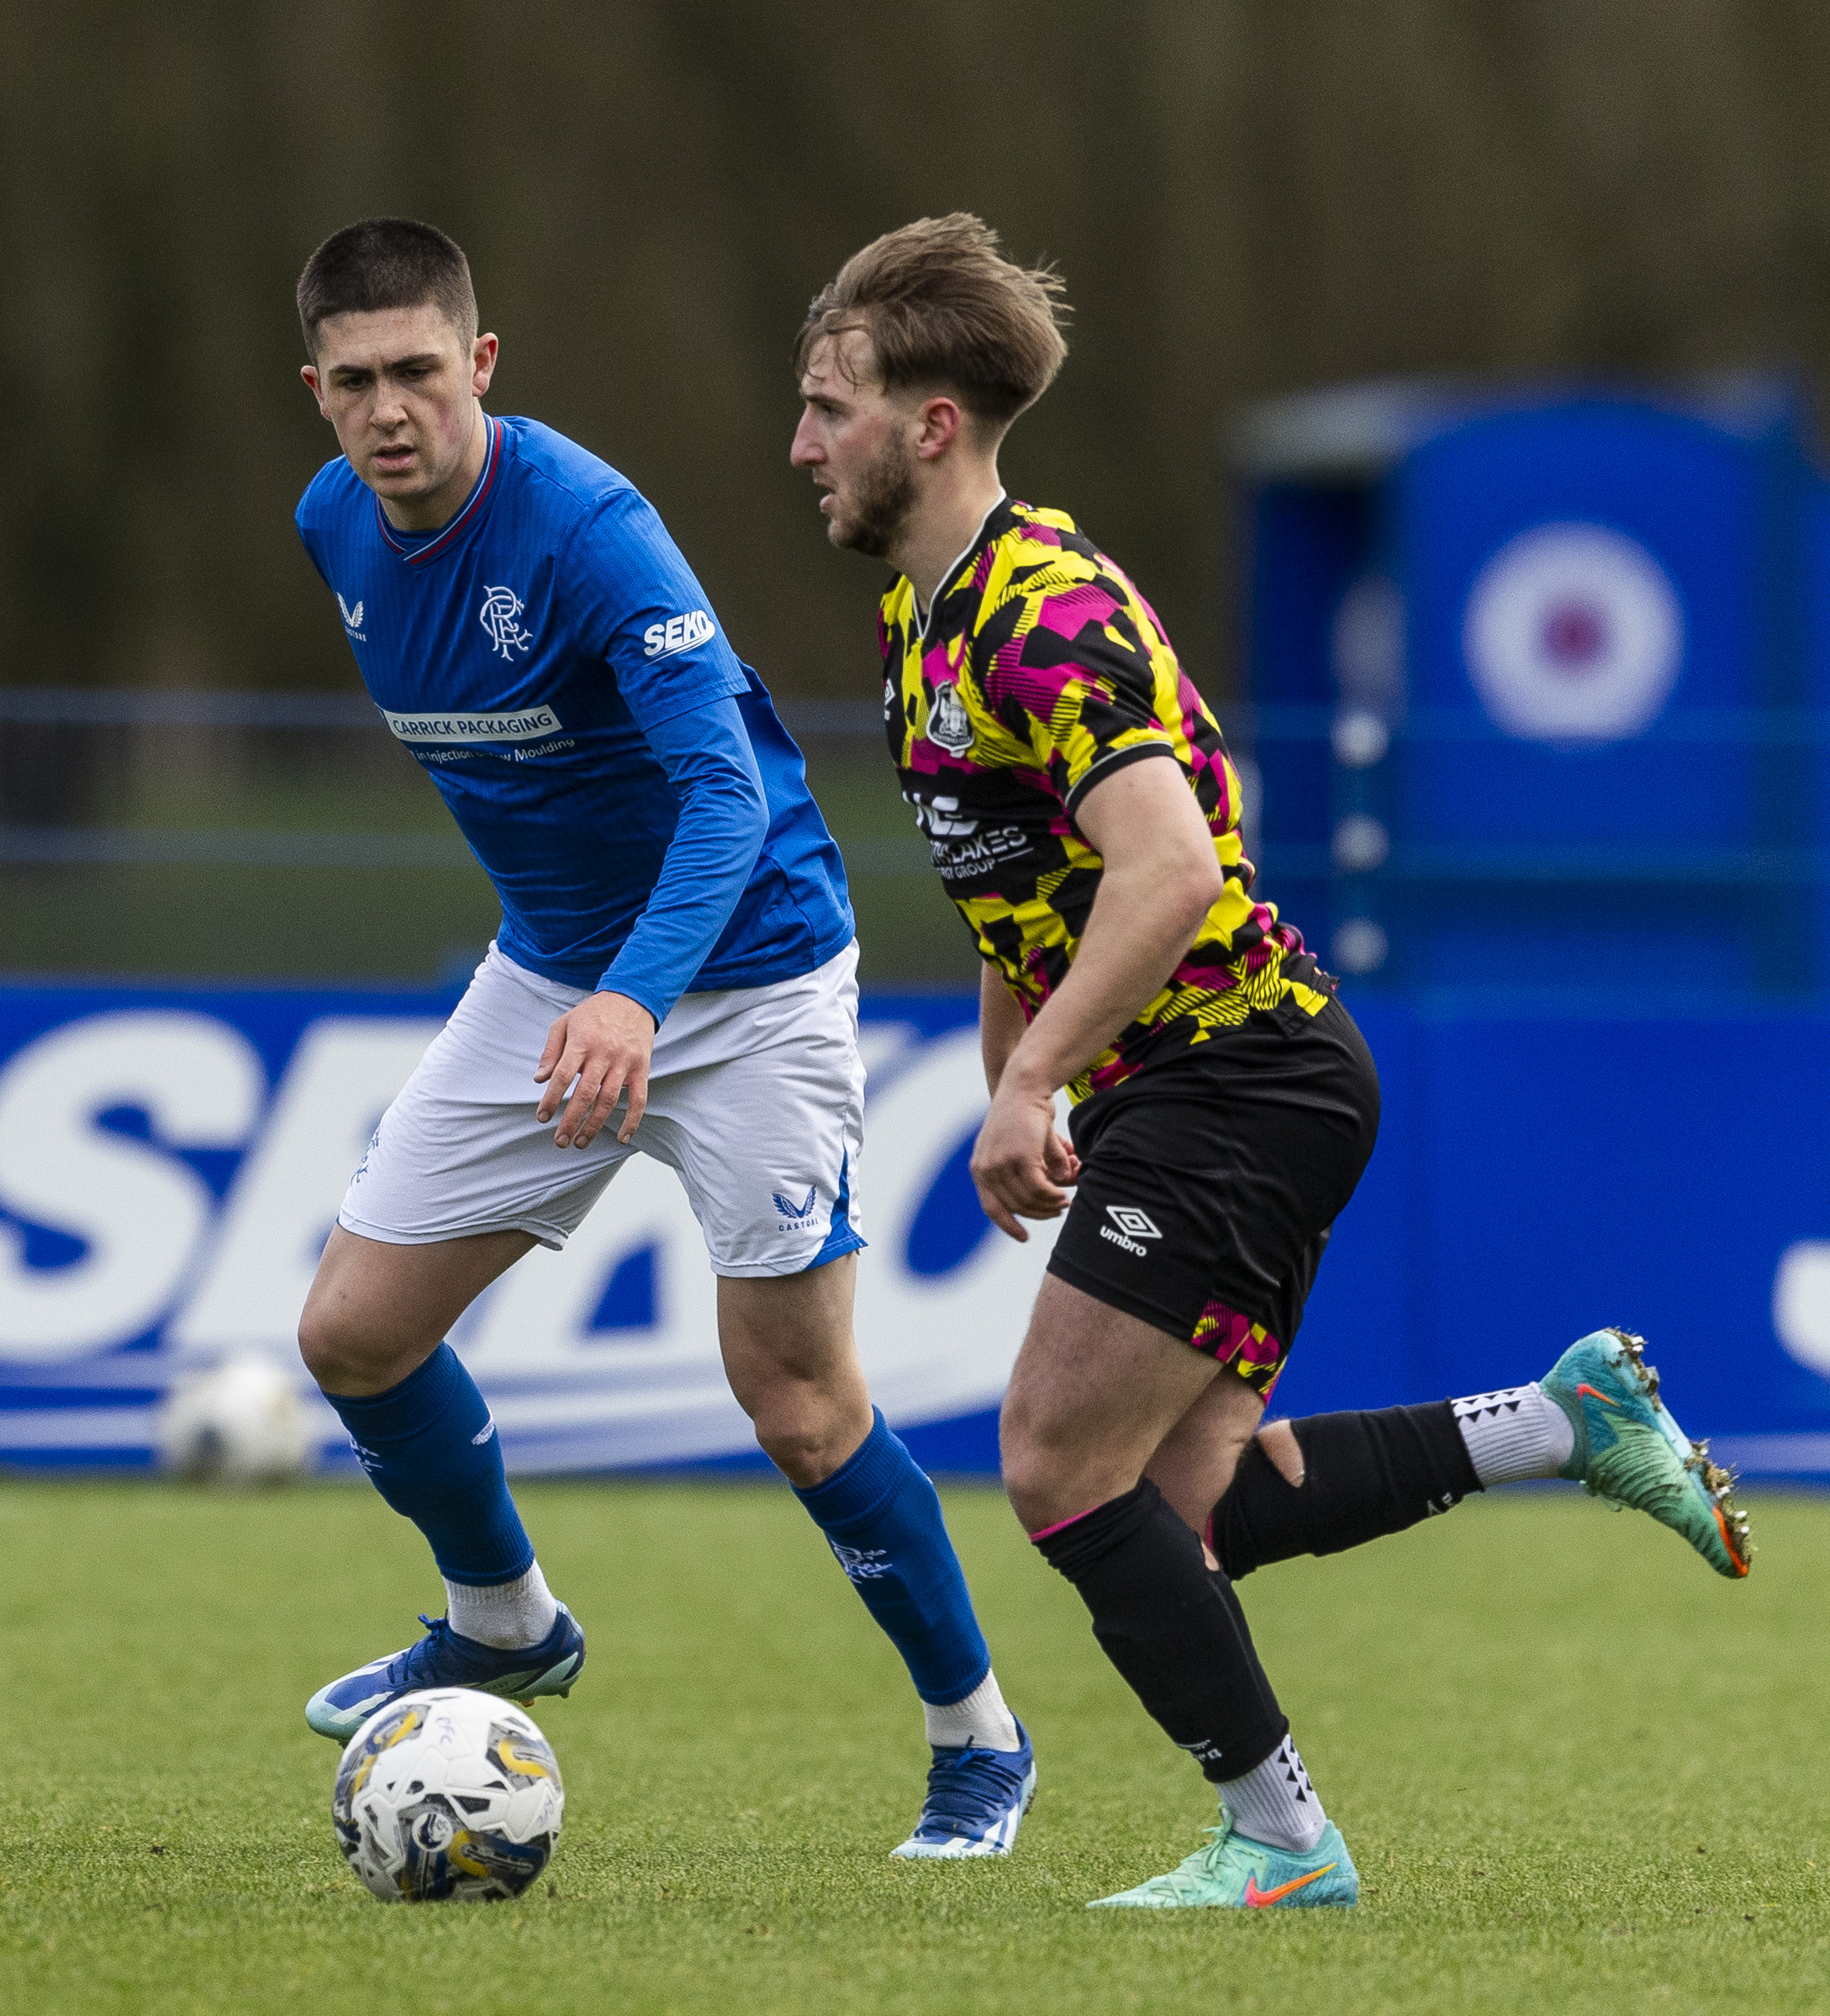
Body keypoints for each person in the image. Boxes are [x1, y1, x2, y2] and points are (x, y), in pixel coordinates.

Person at [788, 213, 1751, 1909]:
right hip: (1212, 1083)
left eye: (827, 406)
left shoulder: (1041, 611)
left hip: (1244, 1070)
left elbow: (1166, 870)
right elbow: (1030, 897)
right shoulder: (921, 627)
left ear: (931, 423)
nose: (800, 444)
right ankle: (1559, 1421)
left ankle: (1287, 1842)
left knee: (1052, 1464)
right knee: (1195, 1498)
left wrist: (1027, 1091)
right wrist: (1029, 1069)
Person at [288, 216, 1036, 1860]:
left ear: (480, 365)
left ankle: (977, 1737)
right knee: (351, 1329)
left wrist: (641, 995)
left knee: (796, 1397)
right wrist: (591, 982)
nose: (390, 408)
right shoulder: (332, 527)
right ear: (319, 393)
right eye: (356, 381)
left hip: (750, 974)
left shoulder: (590, 532)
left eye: (421, 369)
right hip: (555, 977)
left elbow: (721, 791)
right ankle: (502, 1621)